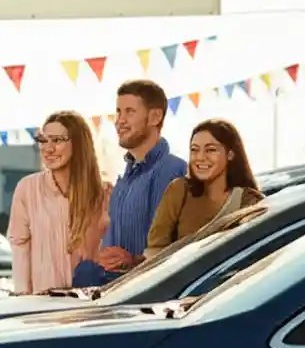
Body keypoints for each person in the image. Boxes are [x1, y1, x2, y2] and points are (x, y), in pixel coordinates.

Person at [75, 79, 188, 285]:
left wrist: (133, 261)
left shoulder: (171, 170)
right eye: (118, 112)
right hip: (114, 290)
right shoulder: (124, 179)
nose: (120, 120)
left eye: (129, 112)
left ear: (155, 117)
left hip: (144, 294)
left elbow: (172, 247)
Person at [7, 111, 111, 294]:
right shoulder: (27, 189)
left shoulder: (104, 193)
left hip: (89, 307)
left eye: (57, 140)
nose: (48, 148)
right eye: (43, 140)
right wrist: (22, 298)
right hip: (43, 308)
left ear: (78, 144)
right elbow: (19, 247)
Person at [145, 118, 262, 257]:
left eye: (210, 150)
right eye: (194, 150)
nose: (200, 157)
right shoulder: (179, 190)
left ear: (230, 154)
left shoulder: (248, 201)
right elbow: (155, 249)